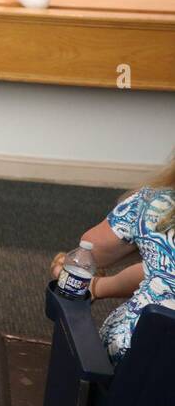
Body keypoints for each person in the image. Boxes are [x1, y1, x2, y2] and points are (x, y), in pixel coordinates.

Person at [50, 153, 175, 364]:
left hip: (135, 364)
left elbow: (93, 250)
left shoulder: (155, 204)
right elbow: (161, 274)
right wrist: (97, 286)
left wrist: (72, 266)